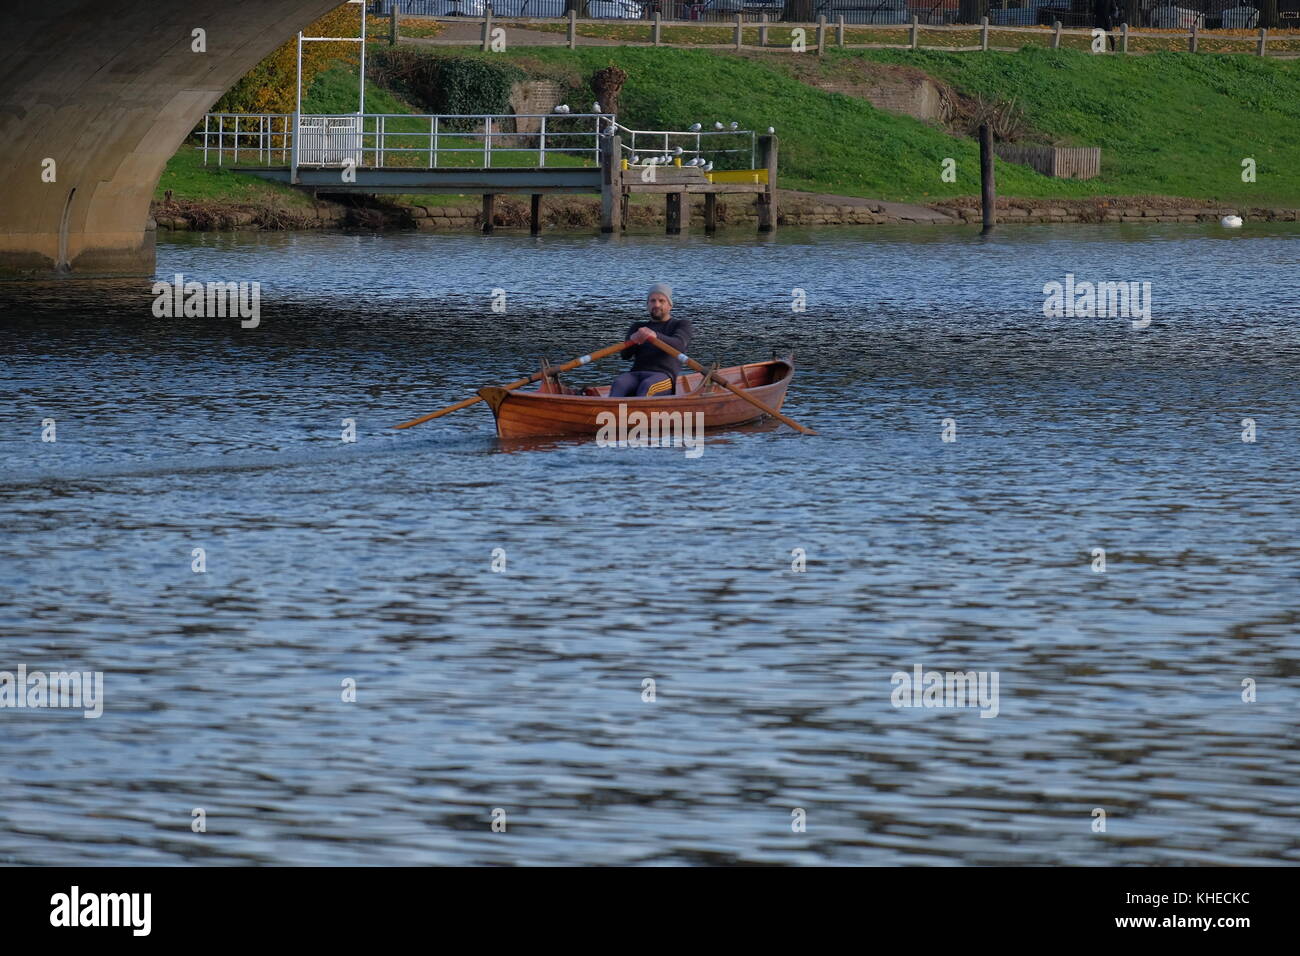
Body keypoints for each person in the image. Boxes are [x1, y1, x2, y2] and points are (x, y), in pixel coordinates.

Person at [609, 283, 692, 398]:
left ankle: (637, 415)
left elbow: (679, 345)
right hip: (635, 374)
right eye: (652, 301)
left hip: (664, 376)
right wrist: (632, 340)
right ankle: (610, 413)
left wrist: (655, 336)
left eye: (661, 301)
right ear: (647, 305)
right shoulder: (638, 327)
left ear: (670, 305)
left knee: (648, 386)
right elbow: (625, 355)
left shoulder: (681, 325)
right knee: (619, 383)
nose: (656, 305)